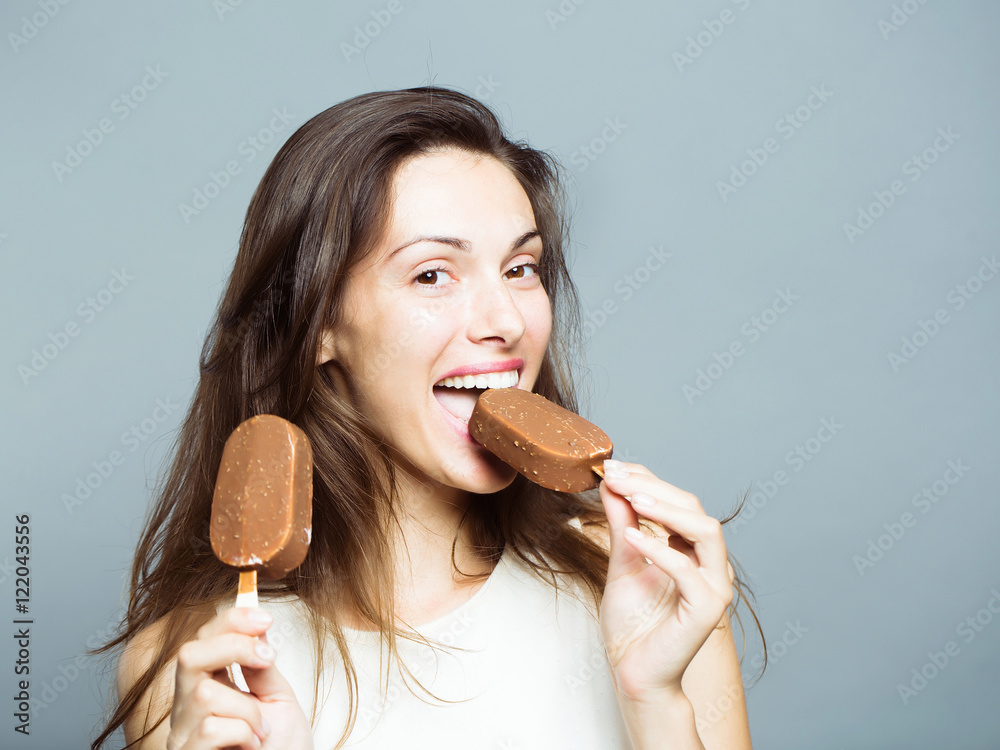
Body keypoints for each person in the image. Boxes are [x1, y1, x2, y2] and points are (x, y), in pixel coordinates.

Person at [91, 86, 764, 749]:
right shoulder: (199, 668)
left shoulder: (641, 583)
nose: (505, 322)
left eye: (521, 268)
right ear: (320, 323)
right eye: (432, 275)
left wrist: (655, 702)